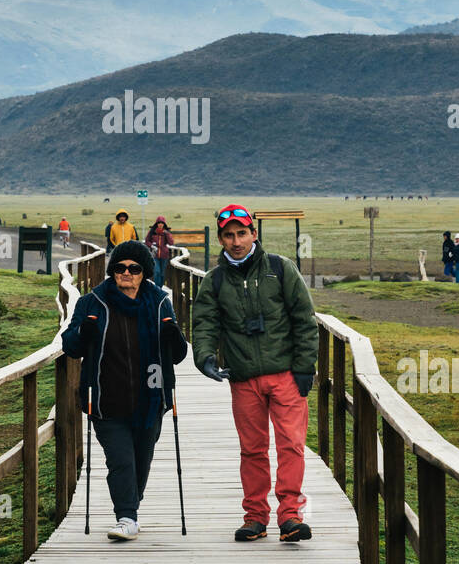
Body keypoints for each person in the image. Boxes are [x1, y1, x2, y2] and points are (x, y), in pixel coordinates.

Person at [191, 203, 318, 543]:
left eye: (241, 233)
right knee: (253, 449)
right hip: (243, 377)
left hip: (286, 374)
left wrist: (305, 368)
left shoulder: (280, 268)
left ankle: (290, 515)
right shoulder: (215, 280)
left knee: (291, 445)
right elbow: (204, 323)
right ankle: (255, 518)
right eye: (229, 235)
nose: (236, 241)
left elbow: (305, 320)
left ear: (253, 234)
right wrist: (203, 357)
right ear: (220, 238)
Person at [62, 240, 187, 541]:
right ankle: (127, 516)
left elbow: (178, 355)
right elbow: (71, 346)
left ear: (145, 272)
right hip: (106, 400)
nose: (126, 273)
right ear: (112, 271)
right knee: (121, 460)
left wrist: (175, 338)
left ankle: (131, 506)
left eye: (134, 268)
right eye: (119, 268)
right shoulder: (92, 302)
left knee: (141, 460)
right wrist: (83, 332)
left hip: (151, 397)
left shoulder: (159, 302)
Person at [145, 215, 175, 290]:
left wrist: (167, 234)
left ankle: (160, 288)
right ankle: (157, 288)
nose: (160, 224)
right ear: (156, 224)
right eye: (159, 223)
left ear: (164, 224)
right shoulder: (152, 232)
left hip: (164, 255)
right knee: (157, 271)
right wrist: (152, 246)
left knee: (162, 274)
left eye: (162, 223)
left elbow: (171, 243)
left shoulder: (166, 233)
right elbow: (147, 241)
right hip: (154, 255)